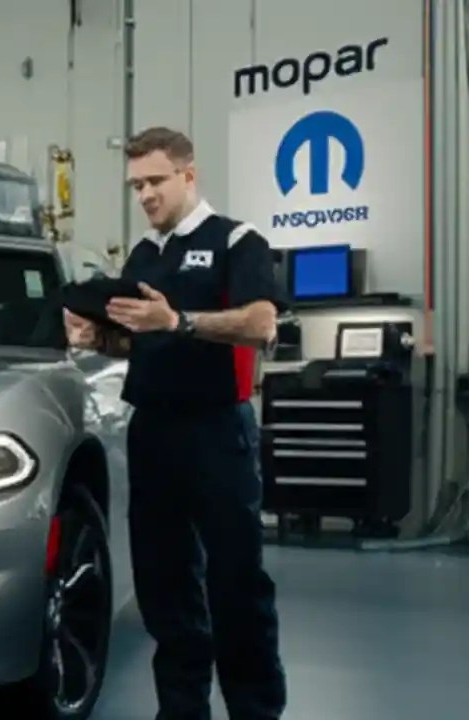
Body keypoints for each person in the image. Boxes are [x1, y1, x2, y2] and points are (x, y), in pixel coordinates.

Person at [65, 127, 287, 720]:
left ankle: (256, 710)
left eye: (155, 181)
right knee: (165, 589)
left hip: (217, 432)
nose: (145, 195)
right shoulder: (143, 256)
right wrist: (98, 338)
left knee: (236, 584)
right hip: (153, 434)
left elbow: (261, 325)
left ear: (188, 175)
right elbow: (138, 343)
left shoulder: (237, 241)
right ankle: (181, 711)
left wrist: (178, 320)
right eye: (136, 185)